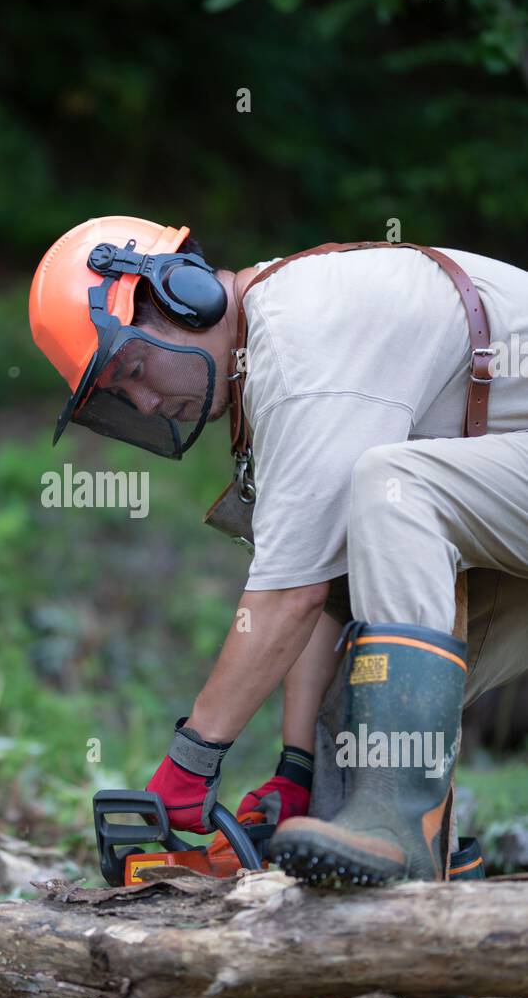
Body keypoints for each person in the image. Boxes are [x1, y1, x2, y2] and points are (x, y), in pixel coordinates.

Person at [29, 215, 528, 884]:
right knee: (351, 723)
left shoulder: (300, 337)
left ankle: (400, 828)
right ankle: (432, 901)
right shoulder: (274, 360)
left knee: (395, 486)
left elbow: (290, 595)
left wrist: (192, 758)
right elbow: (324, 583)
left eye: (138, 367)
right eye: (126, 394)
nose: (147, 402)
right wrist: (296, 769)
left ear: (184, 292)